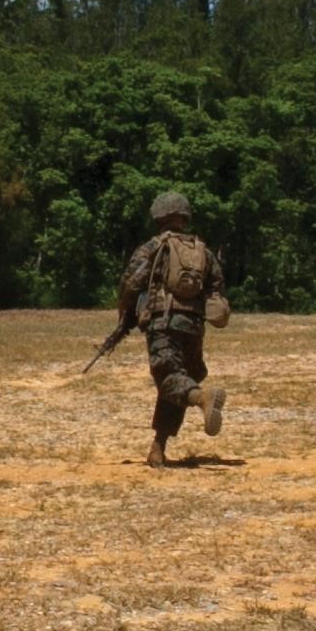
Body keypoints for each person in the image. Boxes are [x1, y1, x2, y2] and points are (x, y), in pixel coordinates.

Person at [115, 190, 230, 466]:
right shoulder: (203, 251)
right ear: (184, 217)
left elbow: (131, 284)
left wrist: (124, 317)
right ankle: (158, 448)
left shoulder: (154, 247)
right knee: (177, 381)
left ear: (159, 217)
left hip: (163, 323)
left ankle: (202, 398)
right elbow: (217, 289)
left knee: (168, 378)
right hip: (194, 327)